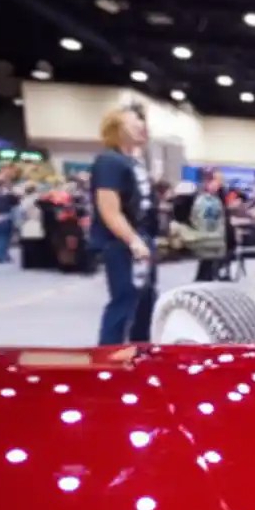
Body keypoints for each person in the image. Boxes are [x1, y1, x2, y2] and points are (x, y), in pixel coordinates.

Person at [91, 106, 158, 344]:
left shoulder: (134, 162)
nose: (142, 126)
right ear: (117, 129)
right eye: (134, 123)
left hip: (141, 239)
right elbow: (109, 209)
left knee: (145, 301)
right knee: (124, 301)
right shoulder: (109, 161)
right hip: (122, 244)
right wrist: (133, 241)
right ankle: (107, 357)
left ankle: (141, 351)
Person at [179, 172, 228, 282]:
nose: (218, 185)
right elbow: (194, 216)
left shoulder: (218, 199)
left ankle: (207, 277)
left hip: (215, 236)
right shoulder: (199, 199)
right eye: (216, 182)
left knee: (210, 262)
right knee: (206, 261)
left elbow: (221, 218)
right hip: (204, 235)